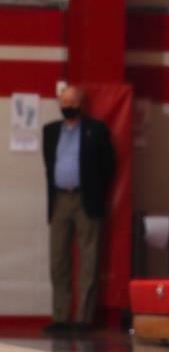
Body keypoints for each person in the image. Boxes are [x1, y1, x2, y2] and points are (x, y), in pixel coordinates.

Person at [43, 83, 116, 333]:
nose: (68, 106)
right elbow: (48, 164)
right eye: (64, 102)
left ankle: (83, 318)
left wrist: (96, 192)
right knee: (58, 260)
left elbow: (109, 166)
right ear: (59, 104)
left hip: (87, 199)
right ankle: (60, 317)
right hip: (60, 199)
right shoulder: (50, 131)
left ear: (81, 103)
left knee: (89, 259)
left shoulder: (96, 130)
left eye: (73, 102)